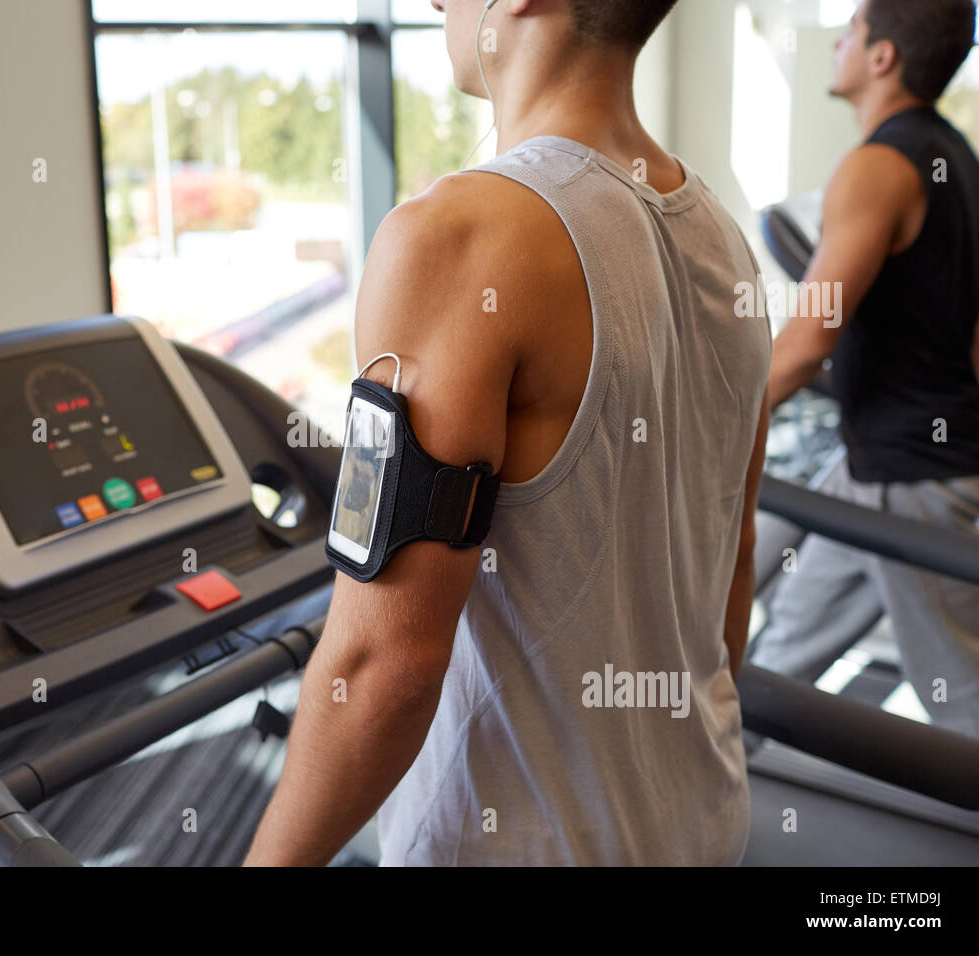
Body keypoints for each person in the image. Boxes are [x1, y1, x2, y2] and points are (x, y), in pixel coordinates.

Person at [244, 0, 771, 866]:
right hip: (703, 823)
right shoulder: (725, 239)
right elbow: (733, 564)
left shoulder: (457, 239)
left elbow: (383, 666)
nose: (434, 3)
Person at [753, 0, 979, 747]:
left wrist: (701, 430)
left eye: (852, 29)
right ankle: (693, 818)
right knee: (785, 649)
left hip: (912, 475)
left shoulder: (875, 167)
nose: (838, 42)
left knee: (969, 704)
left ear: (882, 56)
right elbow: (971, 324)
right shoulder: (957, 159)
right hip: (880, 465)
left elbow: (806, 339)